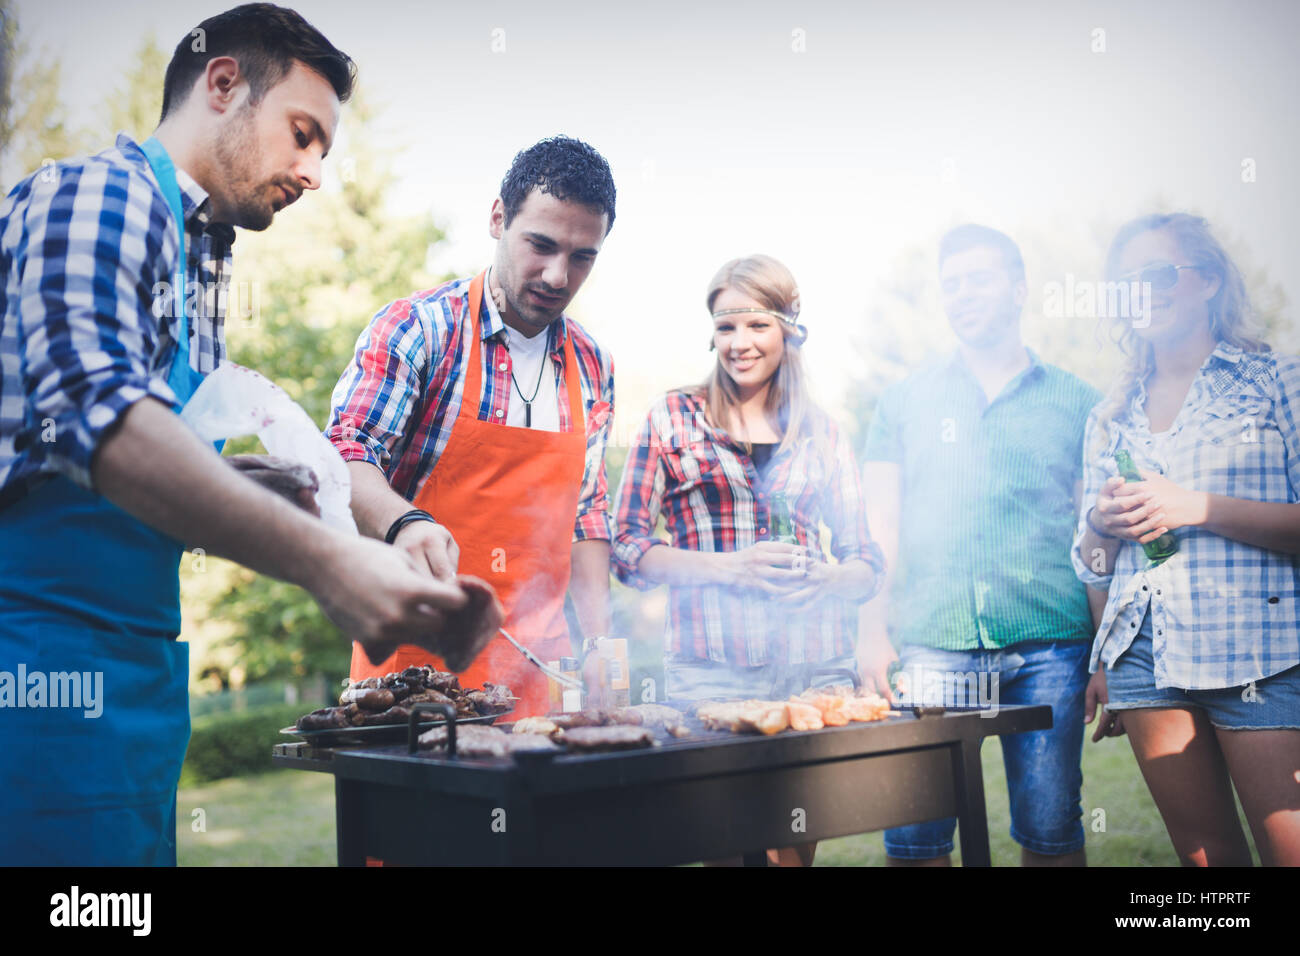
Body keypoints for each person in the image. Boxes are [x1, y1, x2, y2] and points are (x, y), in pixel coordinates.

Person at [0, 4, 472, 866]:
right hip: (34, 660)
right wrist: (333, 564)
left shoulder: (201, 263)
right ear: (223, 84)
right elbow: (95, 418)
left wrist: (247, 486)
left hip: (136, 671)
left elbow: (131, 467)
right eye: (302, 134)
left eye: (325, 149)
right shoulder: (102, 194)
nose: (316, 171)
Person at [327, 136, 617, 718]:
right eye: (541, 245)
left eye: (582, 256)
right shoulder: (420, 330)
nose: (558, 276)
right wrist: (404, 521)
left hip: (543, 674)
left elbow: (587, 512)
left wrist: (605, 645)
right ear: (497, 219)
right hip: (414, 679)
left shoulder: (592, 364)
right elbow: (344, 455)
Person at [613, 254, 884, 866]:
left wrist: (831, 577)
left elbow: (866, 561)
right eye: (725, 326)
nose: (739, 343)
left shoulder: (823, 432)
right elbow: (627, 548)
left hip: (813, 675)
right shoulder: (671, 417)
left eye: (756, 325)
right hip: (711, 674)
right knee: (729, 850)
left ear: (789, 329)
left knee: (791, 854)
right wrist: (726, 567)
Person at [860, 224, 1105, 867]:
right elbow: (876, 526)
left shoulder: (1079, 402)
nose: (962, 295)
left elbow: (1097, 538)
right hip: (932, 642)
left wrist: (1105, 652)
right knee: (915, 834)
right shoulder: (904, 401)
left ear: (1019, 289)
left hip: (1051, 643)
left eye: (979, 279)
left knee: (1052, 829)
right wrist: (870, 629)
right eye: (951, 285)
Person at [1073, 212, 1300, 866]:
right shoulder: (1109, 414)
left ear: (1208, 282)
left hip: (1261, 650)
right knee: (1207, 866)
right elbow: (1092, 566)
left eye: (1157, 274)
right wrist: (1099, 525)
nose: (1141, 293)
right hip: (1143, 659)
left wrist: (1192, 507)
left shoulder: (1276, 382)